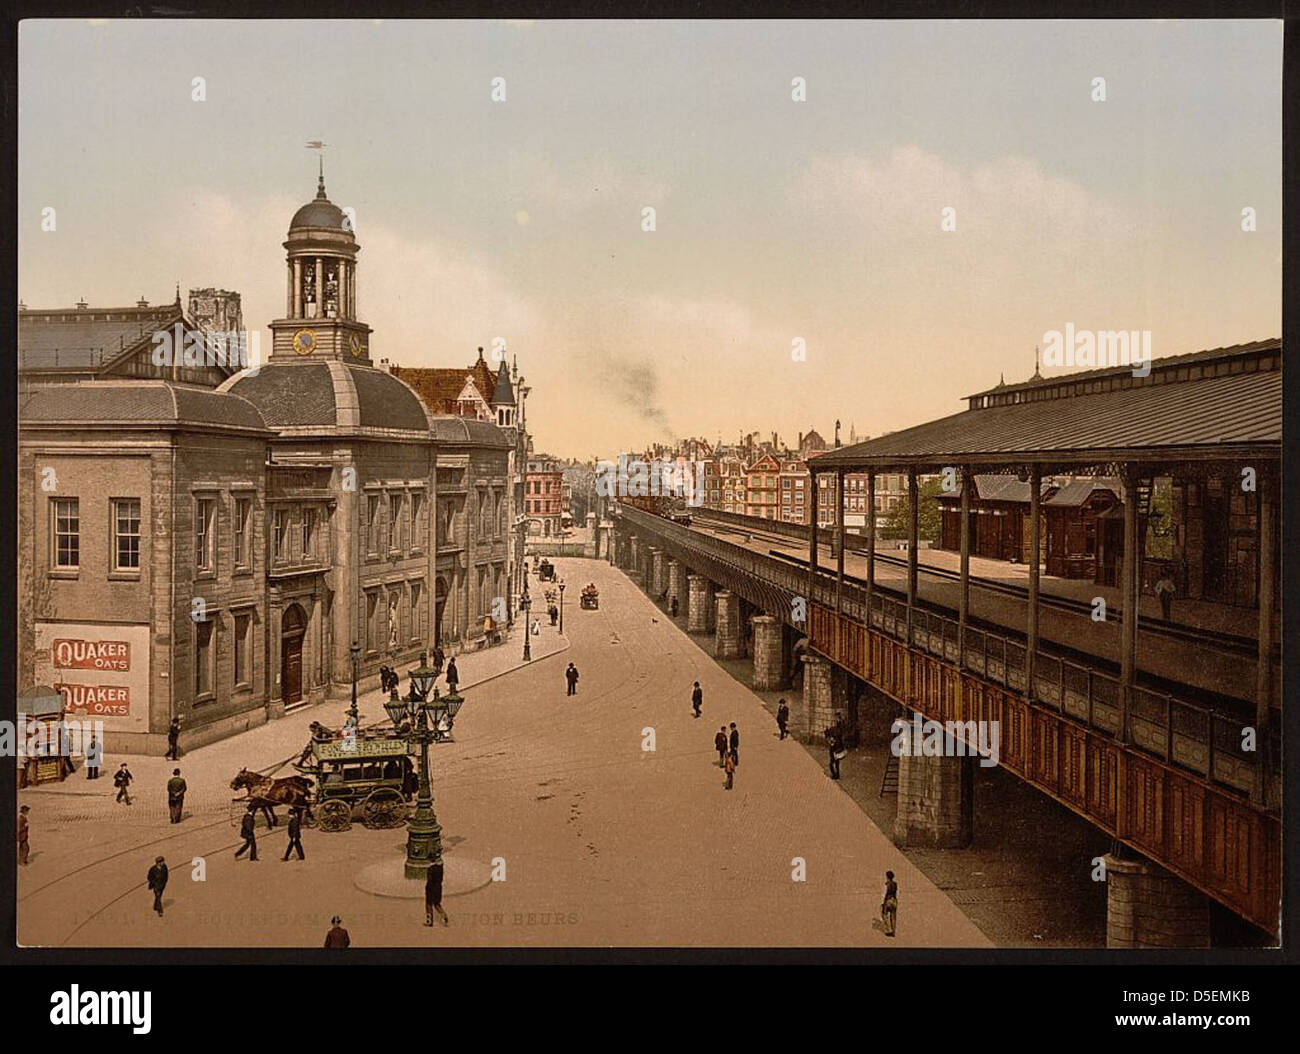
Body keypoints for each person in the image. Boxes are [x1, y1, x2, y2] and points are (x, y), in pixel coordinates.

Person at [425, 858, 450, 927]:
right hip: (438, 887)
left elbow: (429, 880)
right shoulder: (440, 868)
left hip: (431, 888)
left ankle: (429, 921)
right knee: (437, 904)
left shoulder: (430, 869)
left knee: (428, 904)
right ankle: (444, 915)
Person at [882, 871, 899, 937]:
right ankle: (893, 931)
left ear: (887, 877)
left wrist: (882, 903)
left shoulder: (886, 884)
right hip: (894, 900)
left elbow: (884, 894)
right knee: (893, 916)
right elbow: (897, 893)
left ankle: (888, 930)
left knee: (884, 915)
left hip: (888, 901)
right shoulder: (895, 884)